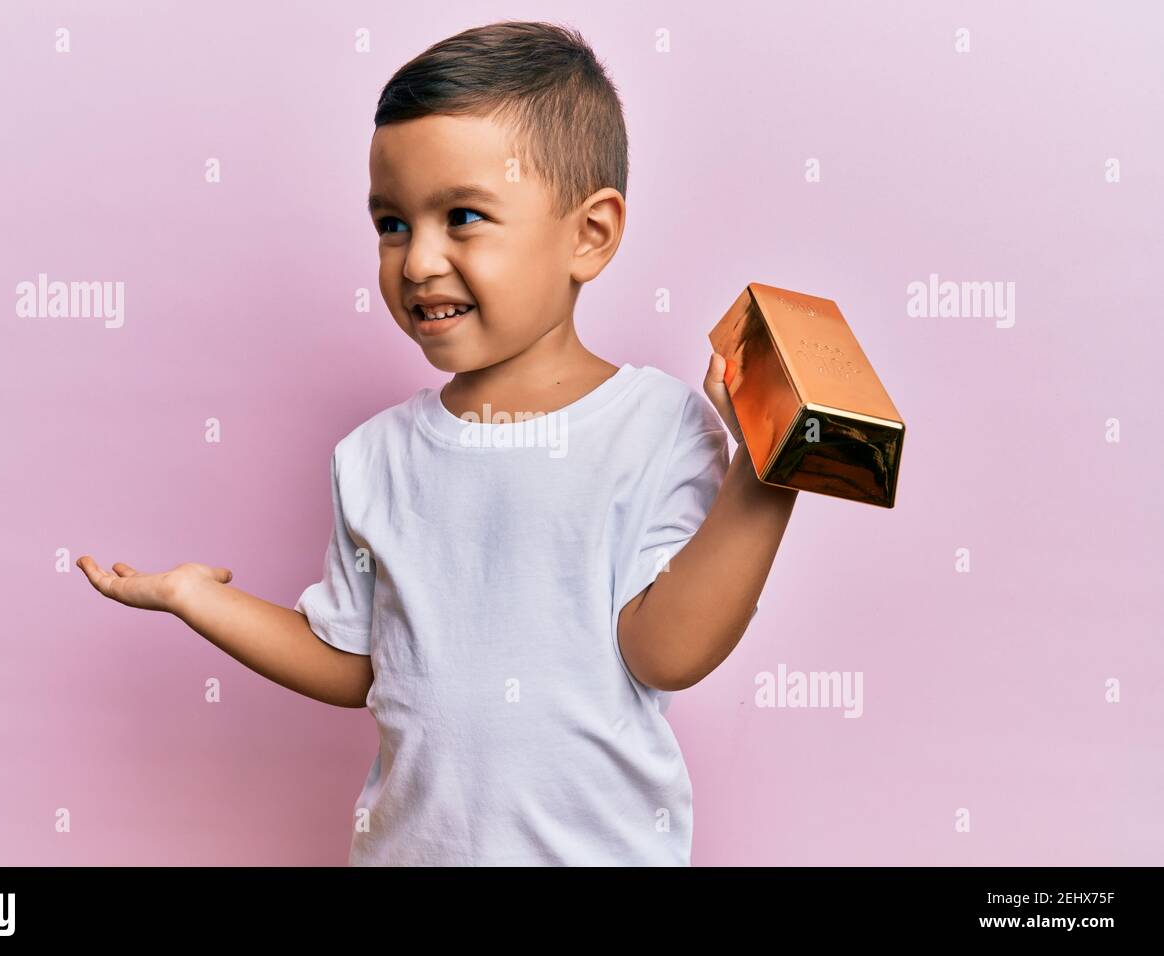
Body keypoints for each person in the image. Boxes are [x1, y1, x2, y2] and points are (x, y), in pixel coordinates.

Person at [79, 20, 797, 866]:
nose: (417, 261)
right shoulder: (373, 458)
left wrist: (765, 481)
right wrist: (196, 598)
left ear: (589, 235)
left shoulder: (656, 427)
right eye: (391, 224)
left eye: (462, 216)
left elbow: (664, 651)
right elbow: (355, 665)